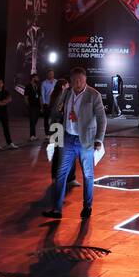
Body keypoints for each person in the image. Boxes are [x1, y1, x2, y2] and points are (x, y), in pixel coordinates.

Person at [46, 66, 107, 218]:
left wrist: (99, 139)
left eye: (80, 80)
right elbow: (56, 111)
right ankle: (57, 209)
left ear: (85, 79)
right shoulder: (66, 93)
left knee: (88, 174)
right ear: (71, 81)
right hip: (68, 137)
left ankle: (87, 207)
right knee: (60, 173)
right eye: (74, 80)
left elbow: (102, 119)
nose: (78, 83)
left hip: (85, 140)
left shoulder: (94, 95)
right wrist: (54, 133)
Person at [0, 78, 16, 149]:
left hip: (4, 112)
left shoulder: (6, 92)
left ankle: (9, 143)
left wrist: (2, 102)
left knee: (6, 128)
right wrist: (4, 102)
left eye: (0, 83)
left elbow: (9, 99)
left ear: (2, 84)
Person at [25, 73, 43, 140]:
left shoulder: (37, 86)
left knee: (35, 121)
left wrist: (41, 106)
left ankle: (33, 135)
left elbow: (40, 97)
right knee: (32, 121)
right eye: (36, 77)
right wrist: (28, 106)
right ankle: (32, 136)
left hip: (37, 106)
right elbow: (26, 97)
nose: (38, 79)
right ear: (33, 78)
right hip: (31, 106)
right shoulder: (28, 86)